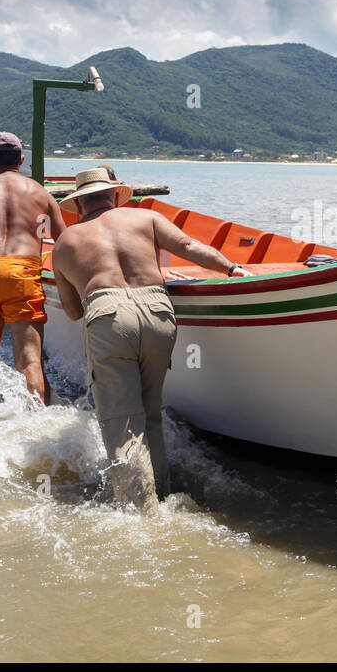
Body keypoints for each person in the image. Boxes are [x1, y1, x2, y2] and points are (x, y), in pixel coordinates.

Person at [50, 168, 252, 511]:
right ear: (114, 196)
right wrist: (233, 269)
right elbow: (190, 246)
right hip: (159, 311)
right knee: (150, 414)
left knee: (122, 420)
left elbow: (72, 311)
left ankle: (142, 515)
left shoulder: (66, 242)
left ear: (78, 205)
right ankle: (162, 494)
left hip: (108, 315)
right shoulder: (146, 217)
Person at [0, 131, 67, 404]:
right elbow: (65, 241)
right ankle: (35, 424)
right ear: (21, 160)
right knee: (29, 359)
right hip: (21, 270)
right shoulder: (40, 192)